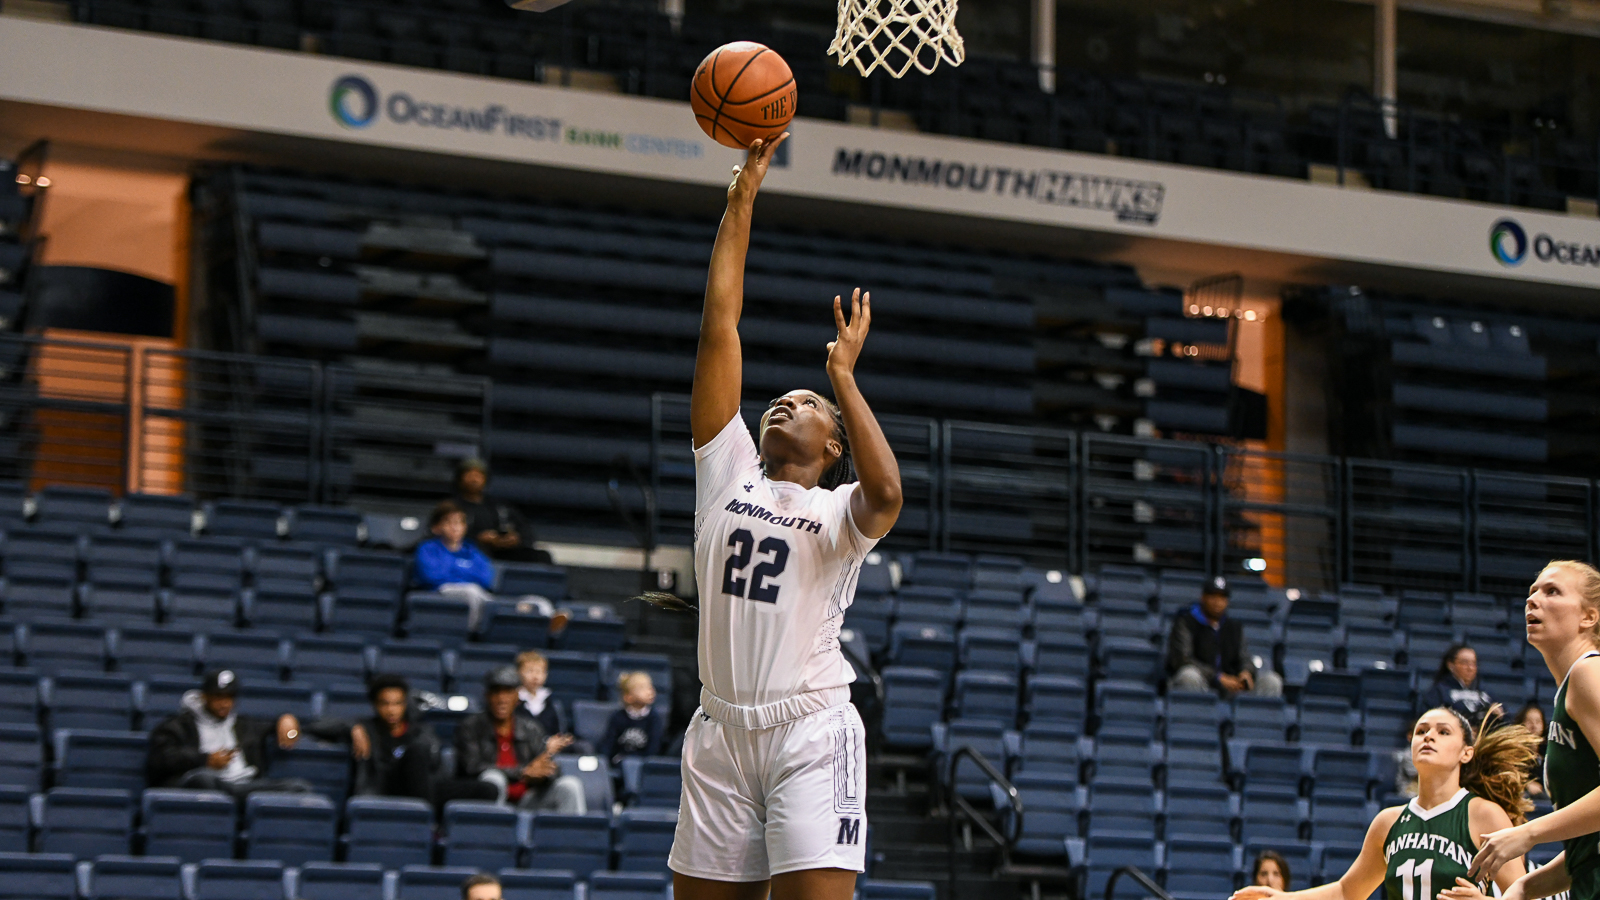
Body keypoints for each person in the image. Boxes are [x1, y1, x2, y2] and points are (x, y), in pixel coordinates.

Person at [658, 133, 902, 900]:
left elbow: (889, 495)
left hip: (811, 730)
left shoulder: (838, 512)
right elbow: (719, 326)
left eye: (807, 403)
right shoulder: (726, 472)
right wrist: (741, 199)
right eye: (781, 398)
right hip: (719, 733)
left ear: (834, 444)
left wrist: (844, 378)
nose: (784, 402)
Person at [1230, 705, 1539, 900]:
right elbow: (1347, 891)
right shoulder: (1388, 822)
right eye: (1421, 731)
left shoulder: (1484, 815)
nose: (1428, 736)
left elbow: (1525, 894)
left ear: (1466, 752)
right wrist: (1282, 898)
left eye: (1443, 732)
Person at [1468, 561, 1600, 900]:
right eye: (1532, 591)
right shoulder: (1571, 688)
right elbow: (1589, 849)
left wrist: (1528, 833)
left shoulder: (1589, 673)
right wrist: (1524, 888)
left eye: (1552, 591)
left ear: (1589, 617)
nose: (1532, 599)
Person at [302, 674, 497, 808]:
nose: (391, 710)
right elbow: (317, 727)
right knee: (418, 751)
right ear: (375, 705)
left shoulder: (421, 731)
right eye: (385, 704)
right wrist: (351, 728)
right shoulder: (365, 728)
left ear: (405, 704)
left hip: (421, 787)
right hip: (384, 787)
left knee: (488, 790)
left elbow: (434, 764)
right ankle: (426, 824)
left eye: (397, 703)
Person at [145, 669, 313, 796]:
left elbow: (280, 730)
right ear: (204, 697)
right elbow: (160, 760)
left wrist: (287, 719)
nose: (224, 703)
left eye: (229, 697)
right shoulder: (177, 726)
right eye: (217, 697)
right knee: (204, 779)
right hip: (205, 785)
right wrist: (205, 760)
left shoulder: (244, 725)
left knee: (299, 787)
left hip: (244, 785)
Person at [455, 666, 585, 813]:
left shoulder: (531, 728)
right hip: (486, 800)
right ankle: (493, 826)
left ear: (517, 697)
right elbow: (472, 767)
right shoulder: (470, 727)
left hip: (528, 800)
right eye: (496, 692)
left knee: (570, 786)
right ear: (487, 696)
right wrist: (522, 772)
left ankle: (575, 829)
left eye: (508, 692)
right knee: (493, 779)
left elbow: (548, 768)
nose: (502, 699)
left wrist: (543, 774)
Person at [1166, 576, 1283, 698]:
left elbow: (1244, 657)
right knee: (1188, 675)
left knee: (1272, 680)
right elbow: (1183, 659)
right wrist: (1218, 677)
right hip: (1203, 682)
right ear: (1203, 597)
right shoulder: (1186, 623)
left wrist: (1246, 672)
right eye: (1213, 596)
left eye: (1222, 597)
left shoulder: (1233, 627)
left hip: (1232, 685)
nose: (1218, 602)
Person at [413, 501, 497, 629]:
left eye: (459, 522)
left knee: (495, 603)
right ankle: (471, 633)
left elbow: (486, 579)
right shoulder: (427, 548)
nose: (455, 527)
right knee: (471, 592)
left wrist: (454, 571)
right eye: (449, 523)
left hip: (476, 591)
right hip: (439, 592)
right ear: (436, 527)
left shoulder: (473, 550)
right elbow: (431, 577)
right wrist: (464, 573)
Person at [452, 459, 549, 563]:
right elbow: (446, 534)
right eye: (470, 475)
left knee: (541, 556)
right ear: (460, 479)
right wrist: (478, 538)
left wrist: (515, 538)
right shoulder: (452, 506)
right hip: (471, 550)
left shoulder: (499, 505)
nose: (474, 480)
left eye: (478, 476)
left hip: (503, 550)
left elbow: (525, 530)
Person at [599, 672, 665, 767]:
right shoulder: (618, 717)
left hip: (644, 765)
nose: (650, 691)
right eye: (642, 688)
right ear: (628, 697)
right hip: (620, 762)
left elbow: (654, 747)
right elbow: (609, 744)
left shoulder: (654, 718)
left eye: (650, 687)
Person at [1421, 645, 1494, 724]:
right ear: (1450, 665)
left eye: (1473, 663)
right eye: (1465, 663)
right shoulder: (1439, 692)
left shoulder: (1486, 693)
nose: (1470, 668)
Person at [516, 650, 568, 739]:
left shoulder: (551, 702)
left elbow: (559, 731)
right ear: (519, 672)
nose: (535, 677)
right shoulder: (514, 700)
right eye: (530, 671)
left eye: (539, 671)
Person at [1515, 702, 1547, 798]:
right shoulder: (1513, 751)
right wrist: (1526, 784)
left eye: (1538, 721)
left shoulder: (1548, 752)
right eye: (1529, 721)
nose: (1534, 726)